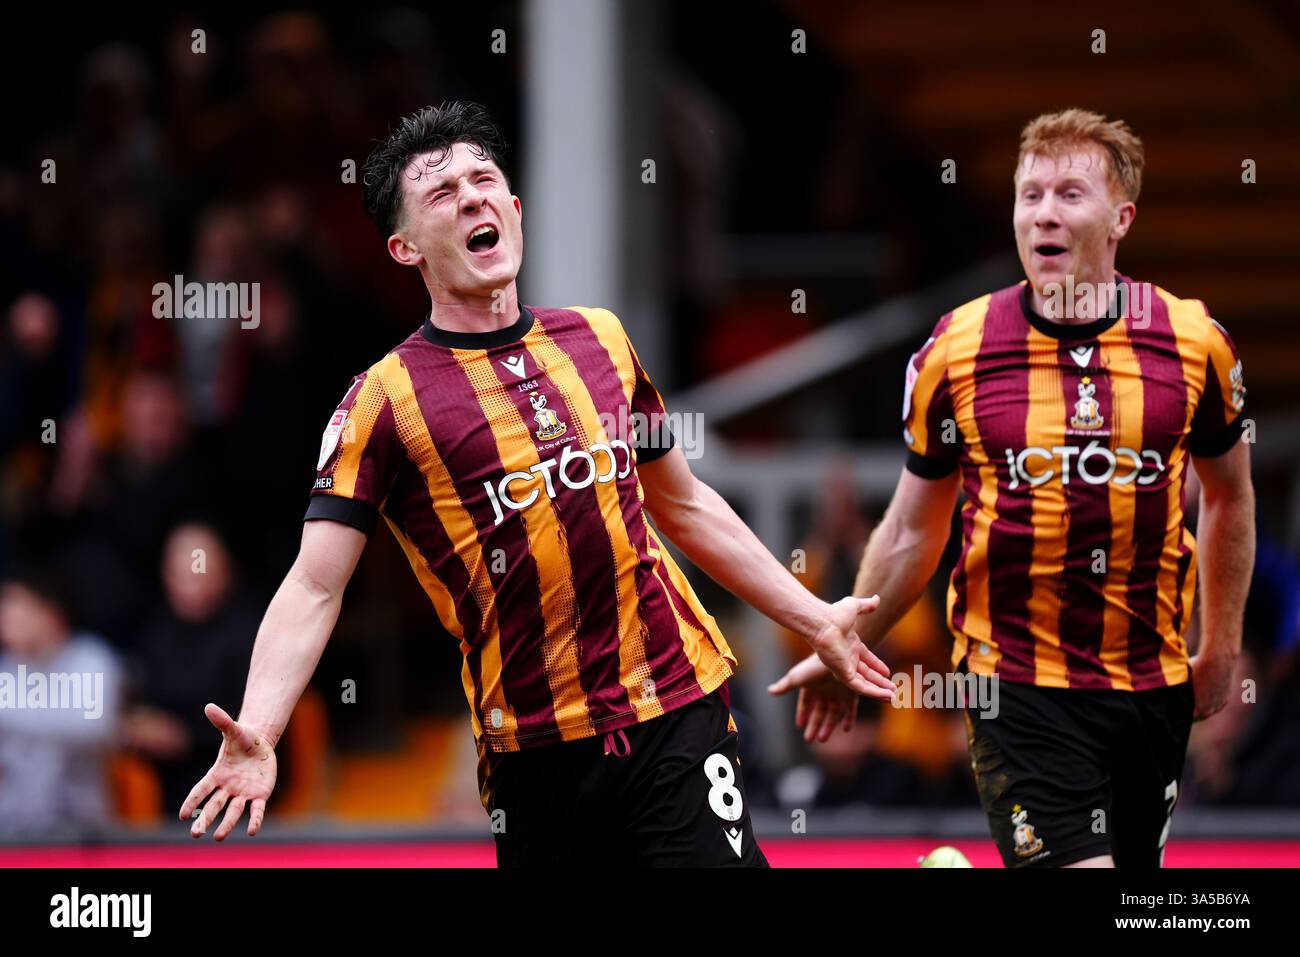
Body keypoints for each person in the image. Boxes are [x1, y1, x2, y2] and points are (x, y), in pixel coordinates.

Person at [180, 101, 896, 866]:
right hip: (533, 750)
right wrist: (262, 728)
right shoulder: (382, 401)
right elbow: (315, 584)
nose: (472, 198)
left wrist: (815, 618)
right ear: (404, 247)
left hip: (673, 704)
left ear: (515, 210)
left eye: (484, 180)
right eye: (442, 193)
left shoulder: (601, 338)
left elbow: (683, 503)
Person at [770, 109, 1255, 868]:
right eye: (1031, 195)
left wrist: (1220, 646)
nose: (1044, 214)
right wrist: (846, 641)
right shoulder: (956, 349)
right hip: (1014, 684)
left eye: (1070, 194)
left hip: (1151, 683)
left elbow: (1230, 497)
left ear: (1121, 218)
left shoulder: (1194, 344)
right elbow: (912, 528)